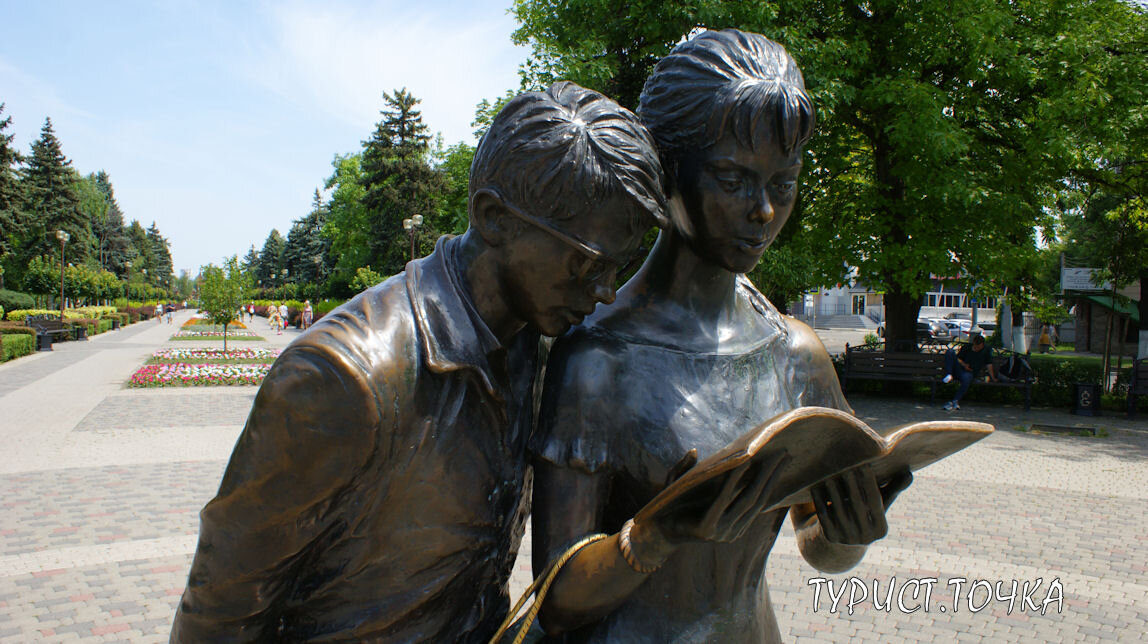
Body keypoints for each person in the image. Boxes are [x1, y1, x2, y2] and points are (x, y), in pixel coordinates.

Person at [170, 81, 666, 642]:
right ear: (494, 216)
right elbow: (221, 611)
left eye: (618, 268)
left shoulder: (539, 344)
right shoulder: (346, 376)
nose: (606, 292)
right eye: (586, 263)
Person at [528, 30, 910, 644]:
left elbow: (819, 545)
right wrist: (657, 533)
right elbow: (558, 601)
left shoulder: (795, 357)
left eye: (782, 183)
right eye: (733, 179)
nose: (762, 209)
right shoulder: (598, 361)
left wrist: (848, 533)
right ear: (668, 173)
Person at [941, 333, 997, 411]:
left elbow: (989, 364)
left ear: (982, 345)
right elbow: (958, 359)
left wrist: (993, 377)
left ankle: (955, 400)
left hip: (970, 373)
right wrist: (964, 365)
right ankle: (949, 374)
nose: (976, 348)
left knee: (966, 378)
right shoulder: (967, 347)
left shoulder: (986, 350)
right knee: (950, 352)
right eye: (975, 346)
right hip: (960, 369)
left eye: (978, 347)